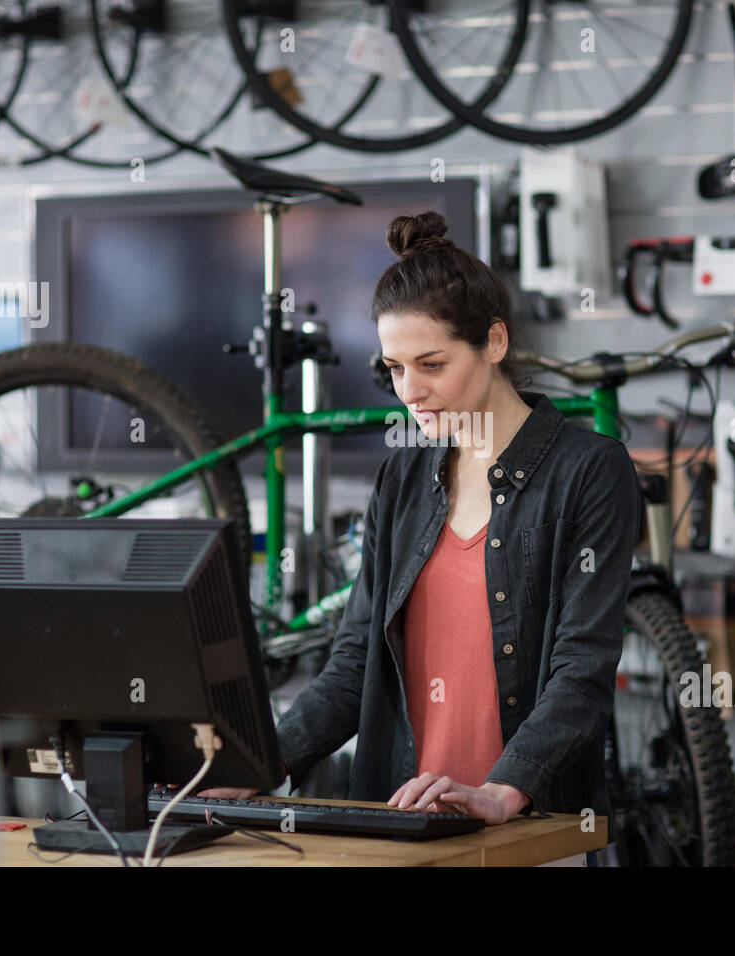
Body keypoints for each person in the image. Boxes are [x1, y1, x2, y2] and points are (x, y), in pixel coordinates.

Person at [201, 211, 642, 828]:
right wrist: (261, 764)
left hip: (525, 828)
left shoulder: (590, 471)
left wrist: (505, 789)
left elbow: (583, 669)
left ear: (494, 342)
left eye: (432, 365)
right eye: (395, 369)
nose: (409, 391)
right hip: (397, 823)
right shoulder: (402, 478)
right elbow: (355, 663)